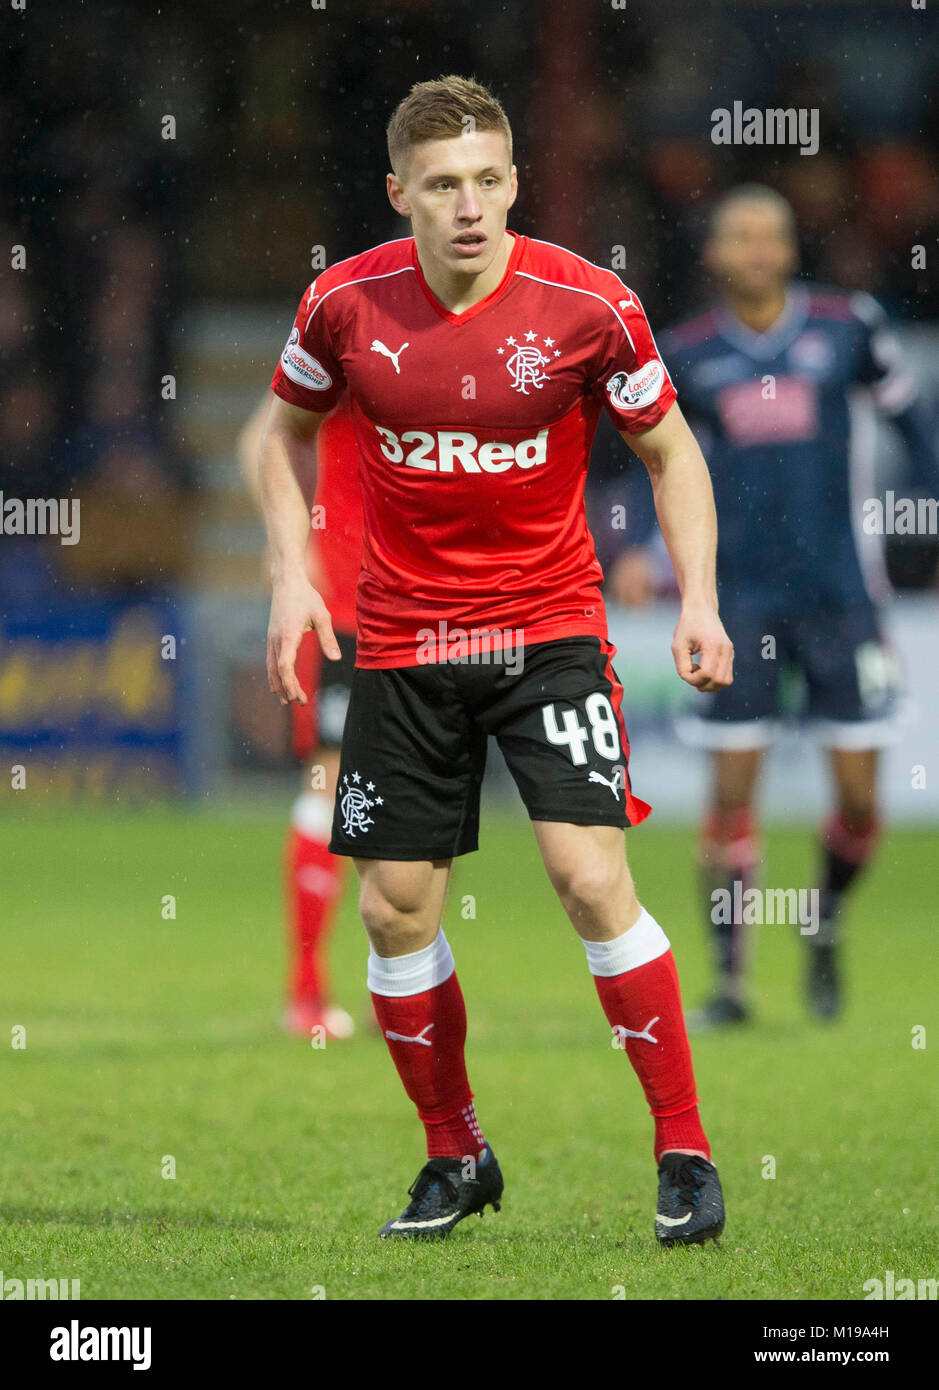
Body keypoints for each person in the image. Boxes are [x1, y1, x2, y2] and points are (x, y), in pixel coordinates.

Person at [259, 76, 733, 1244]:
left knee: (588, 879)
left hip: (550, 634)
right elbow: (282, 437)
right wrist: (288, 572)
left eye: (487, 180)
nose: (468, 206)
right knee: (394, 912)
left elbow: (671, 452)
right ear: (399, 194)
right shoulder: (343, 304)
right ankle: (454, 1153)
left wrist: (701, 598)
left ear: (514, 182)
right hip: (406, 646)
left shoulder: (589, 305)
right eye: (441, 186)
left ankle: (684, 1147)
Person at [608, 184, 938, 1028]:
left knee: (862, 801)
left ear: (790, 251)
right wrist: (644, 549)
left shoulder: (847, 327)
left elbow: (914, 425)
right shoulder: (683, 352)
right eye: (738, 236)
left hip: (841, 597)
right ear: (714, 255)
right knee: (728, 798)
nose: (756, 250)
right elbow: (660, 458)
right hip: (735, 602)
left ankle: (822, 918)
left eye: (771, 236)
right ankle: (729, 982)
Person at [240, 391, 362, 1040]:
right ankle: (306, 991)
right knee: (329, 783)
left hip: (430, 609)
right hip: (341, 605)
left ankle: (405, 986)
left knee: (420, 798)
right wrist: (286, 550)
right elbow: (259, 437)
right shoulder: (350, 327)